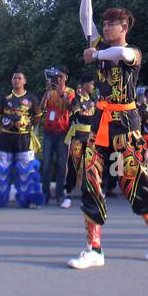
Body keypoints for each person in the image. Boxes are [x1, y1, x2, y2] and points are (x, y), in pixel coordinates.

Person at [68, 0, 148, 269]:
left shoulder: (131, 52)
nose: (105, 26)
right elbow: (84, 21)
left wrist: (95, 56)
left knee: (131, 183)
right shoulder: (100, 44)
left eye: (111, 23)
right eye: (105, 22)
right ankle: (94, 248)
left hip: (126, 123)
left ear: (124, 26)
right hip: (100, 121)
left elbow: (121, 54)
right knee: (89, 177)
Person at [0, 71, 44, 208]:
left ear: (24, 81)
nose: (16, 80)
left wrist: (29, 126)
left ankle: (31, 200)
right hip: (6, 137)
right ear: (12, 81)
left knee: (27, 170)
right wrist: (5, 125)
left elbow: (38, 115)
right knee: (1, 168)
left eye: (19, 78)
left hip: (24, 138)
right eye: (14, 78)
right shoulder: (5, 97)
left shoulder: (31, 98)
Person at [39, 67, 74, 206]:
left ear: (66, 77)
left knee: (61, 165)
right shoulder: (50, 91)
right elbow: (41, 108)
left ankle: (60, 196)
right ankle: (44, 195)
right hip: (48, 132)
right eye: (56, 76)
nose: (58, 79)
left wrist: (60, 92)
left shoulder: (70, 92)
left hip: (62, 132)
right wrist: (47, 91)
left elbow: (68, 107)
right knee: (46, 165)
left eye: (60, 76)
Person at [64, 70, 98, 209]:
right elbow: (79, 117)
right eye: (91, 84)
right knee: (73, 166)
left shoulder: (93, 101)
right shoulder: (76, 101)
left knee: (89, 167)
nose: (92, 86)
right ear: (84, 85)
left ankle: (87, 194)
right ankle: (68, 194)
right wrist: (92, 119)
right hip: (78, 137)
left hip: (91, 138)